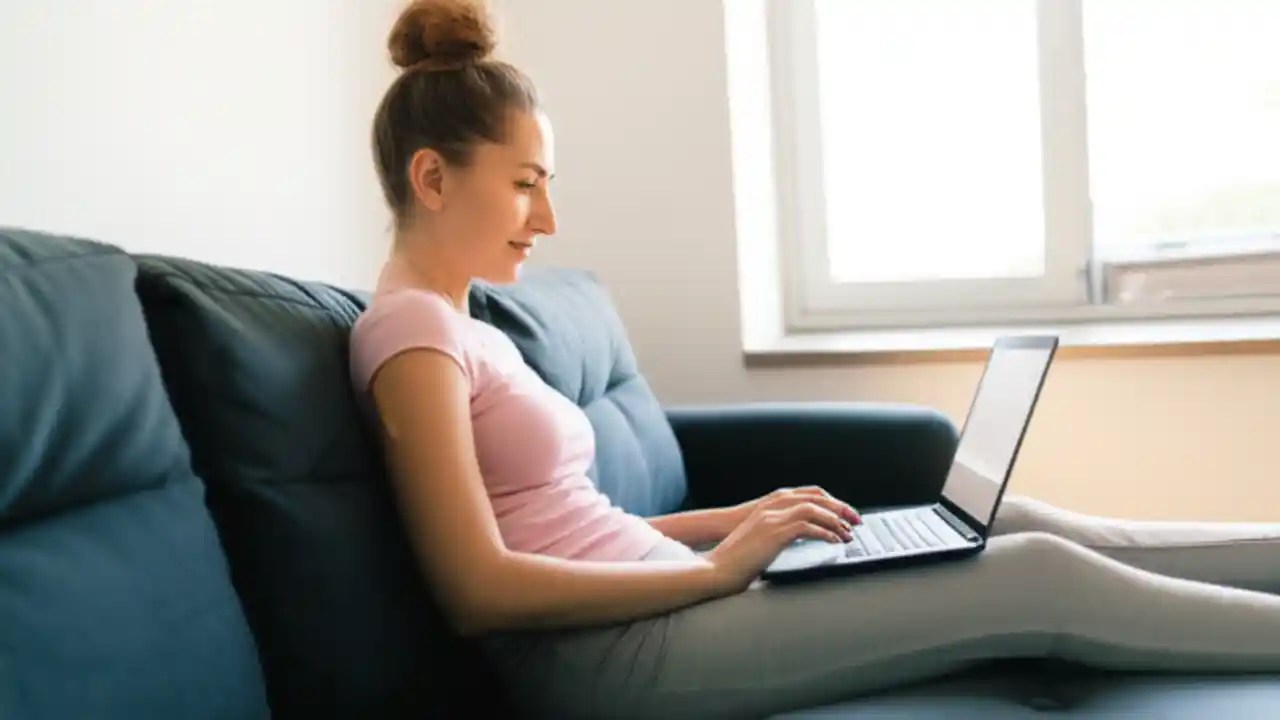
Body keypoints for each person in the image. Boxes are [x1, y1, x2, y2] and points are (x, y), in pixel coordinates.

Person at [348, 1, 1280, 717]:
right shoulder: (408, 335)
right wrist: (717, 571)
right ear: (432, 178)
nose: (547, 219)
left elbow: (572, 526)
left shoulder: (472, 326)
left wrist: (735, 521)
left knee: (1011, 520)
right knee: (1036, 573)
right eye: (524, 187)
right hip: (609, 661)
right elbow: (476, 588)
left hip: (662, 603)